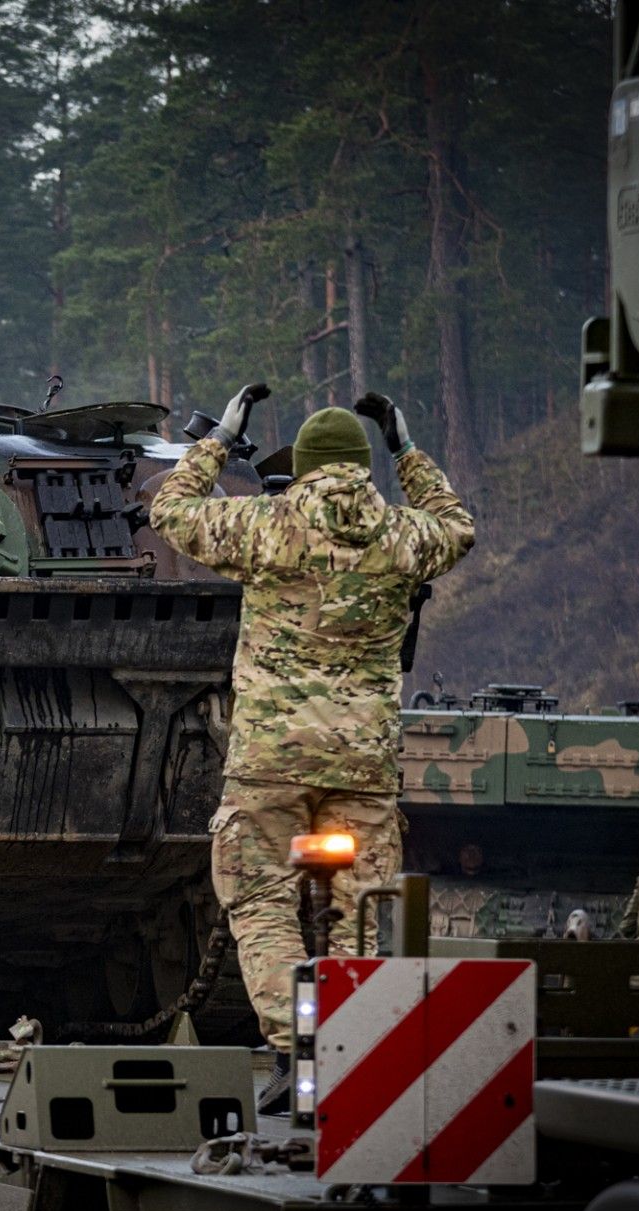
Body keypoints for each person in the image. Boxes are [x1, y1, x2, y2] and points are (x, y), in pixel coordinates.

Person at [149, 392, 475, 1113]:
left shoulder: (266, 525)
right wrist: (406, 448)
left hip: (271, 755)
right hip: (362, 758)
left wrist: (218, 442)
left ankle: (296, 1048)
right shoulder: (401, 536)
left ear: (301, 468)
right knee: (364, 909)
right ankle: (353, 1052)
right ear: (361, 467)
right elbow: (458, 526)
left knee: (263, 899)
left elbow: (169, 512)